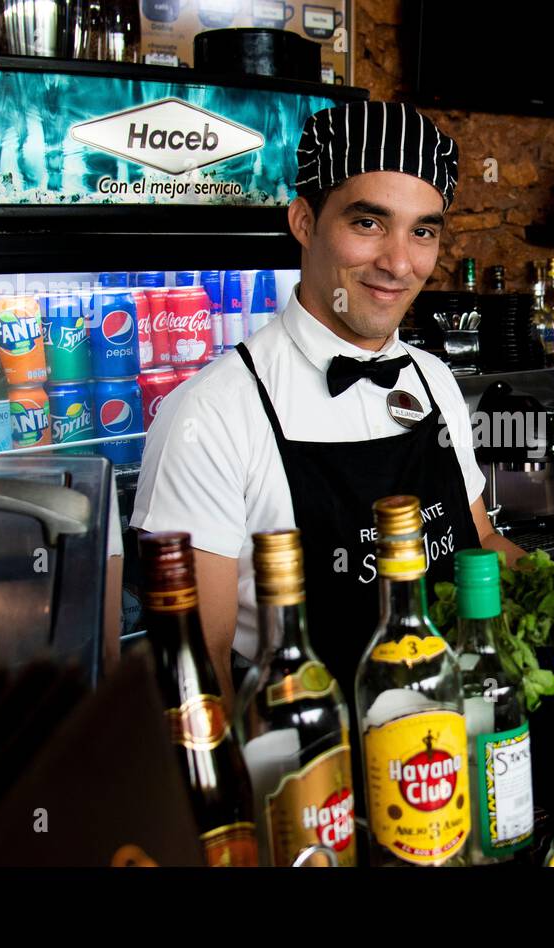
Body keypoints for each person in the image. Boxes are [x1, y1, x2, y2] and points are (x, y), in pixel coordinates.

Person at [132, 102, 525, 703]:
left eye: (422, 231)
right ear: (304, 221)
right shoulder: (210, 415)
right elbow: (194, 672)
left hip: (460, 745)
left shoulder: (435, 379)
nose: (399, 262)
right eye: (369, 224)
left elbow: (480, 548)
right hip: (312, 774)